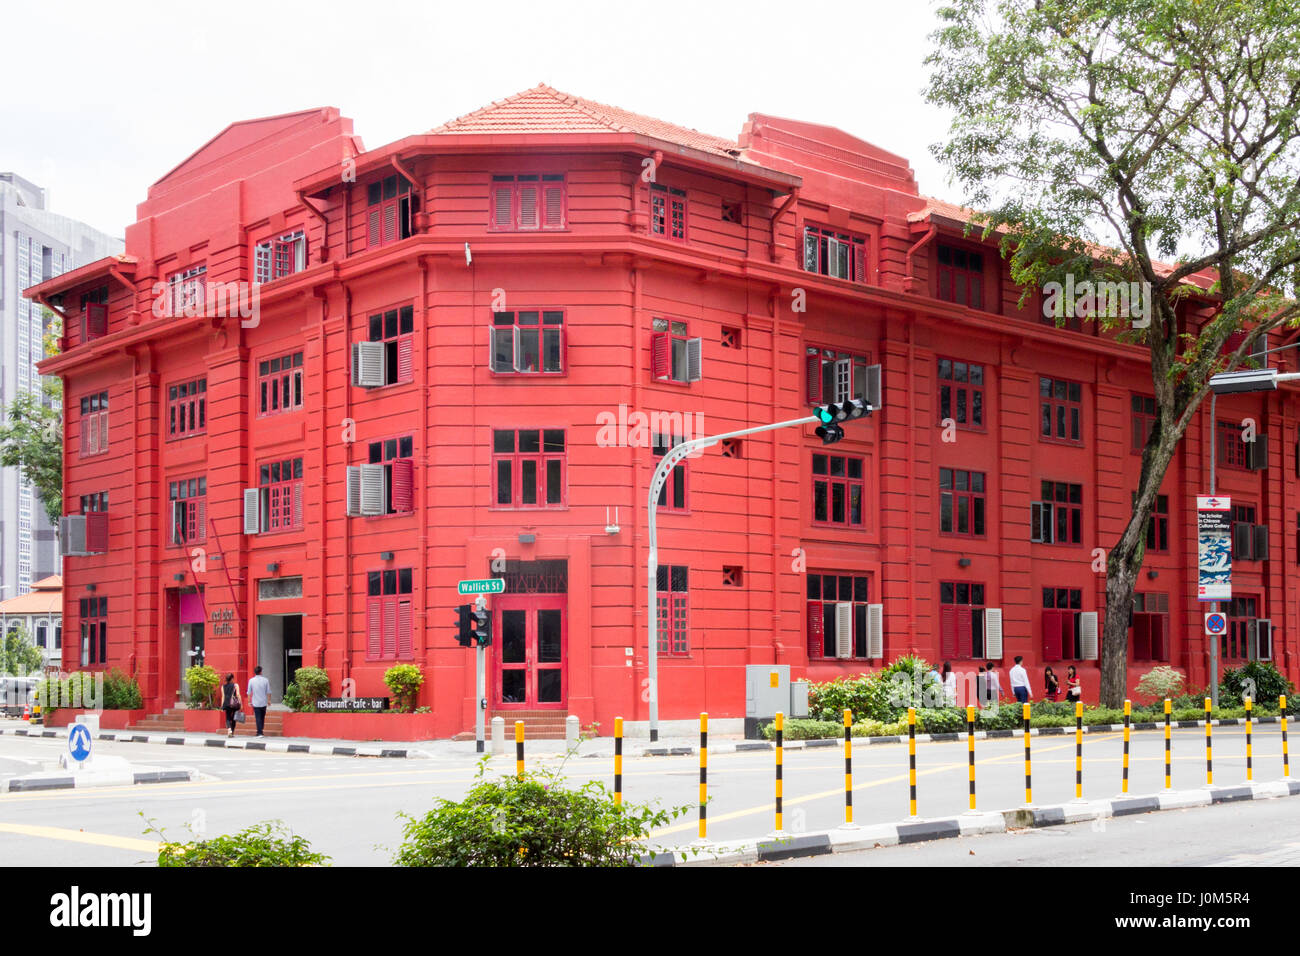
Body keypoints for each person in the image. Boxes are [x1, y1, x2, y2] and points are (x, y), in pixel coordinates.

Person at [247, 665, 271, 738]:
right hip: (263, 701)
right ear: (260, 672)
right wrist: (269, 700)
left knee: (257, 717)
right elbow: (268, 691)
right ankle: (260, 731)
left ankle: (259, 732)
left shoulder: (251, 680)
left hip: (255, 702)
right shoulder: (265, 680)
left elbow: (249, 692)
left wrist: (249, 701)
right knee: (262, 717)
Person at [221, 673, 241, 738]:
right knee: (234, 718)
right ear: (232, 678)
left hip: (226, 703)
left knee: (228, 718)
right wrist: (240, 703)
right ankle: (232, 732)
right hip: (234, 704)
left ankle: (229, 730)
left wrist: (222, 705)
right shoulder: (235, 685)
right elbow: (238, 694)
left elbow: (223, 696)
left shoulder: (223, 686)